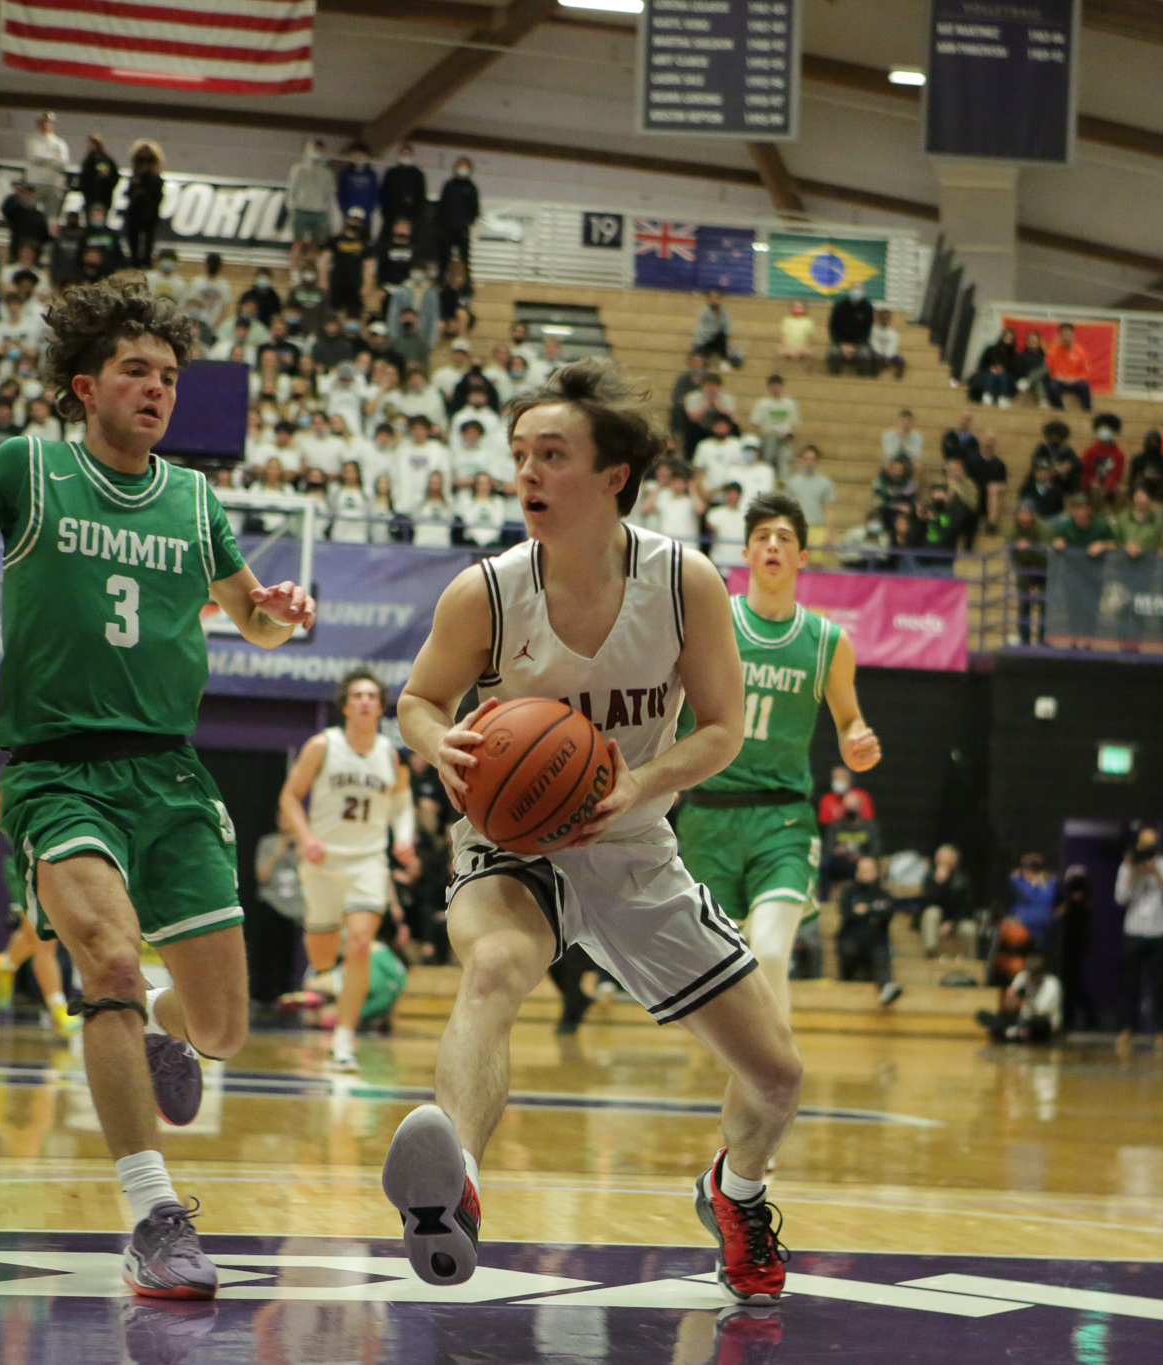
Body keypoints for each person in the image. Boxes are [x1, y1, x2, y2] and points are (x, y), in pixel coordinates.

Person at [0, 275, 317, 1299]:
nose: (157, 389)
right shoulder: (28, 467)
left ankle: (169, 1023)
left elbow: (248, 616)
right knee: (108, 961)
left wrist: (279, 612)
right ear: (84, 386)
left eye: (168, 375)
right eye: (135, 371)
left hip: (168, 773)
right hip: (56, 770)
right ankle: (154, 1215)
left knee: (223, 1030)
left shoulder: (195, 499)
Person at [382, 359, 800, 1305]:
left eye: (552, 455)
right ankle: (456, 1184)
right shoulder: (484, 593)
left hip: (635, 844)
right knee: (494, 963)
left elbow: (725, 729)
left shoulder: (683, 581)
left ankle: (734, 1193)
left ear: (613, 475)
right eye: (520, 454)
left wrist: (638, 782)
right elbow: (418, 698)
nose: (527, 473)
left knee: (775, 1077)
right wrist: (438, 744)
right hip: (514, 841)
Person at [678, 492, 881, 1016]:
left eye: (784, 538)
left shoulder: (826, 641)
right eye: (762, 537)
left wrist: (857, 741)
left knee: (769, 951)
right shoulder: (711, 623)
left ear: (802, 557)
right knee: (716, 976)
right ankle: (752, 1072)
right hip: (707, 816)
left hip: (783, 819)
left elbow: (848, 721)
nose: (772, 545)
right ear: (745, 554)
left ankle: (775, 1084)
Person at [278, 669, 415, 1073]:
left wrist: (403, 838)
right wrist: (305, 837)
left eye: (372, 695)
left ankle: (343, 1037)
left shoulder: (390, 753)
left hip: (368, 860)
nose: (365, 701)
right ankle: (327, 976)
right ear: (345, 704)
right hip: (323, 862)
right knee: (322, 955)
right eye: (357, 695)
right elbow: (289, 796)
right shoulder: (323, 745)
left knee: (359, 944)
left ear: (380, 705)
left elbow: (402, 803)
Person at [0, 785, 78, 1035]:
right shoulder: (25, 761)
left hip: (56, 860)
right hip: (23, 861)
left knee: (33, 933)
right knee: (44, 939)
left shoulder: (73, 767)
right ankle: (58, 1010)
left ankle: (4, 963)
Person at [1113, 827, 1163, 1053]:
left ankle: (1161, 1030)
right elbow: (1121, 897)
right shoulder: (1127, 865)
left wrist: (1157, 874)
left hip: (1161, 929)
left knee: (1160, 983)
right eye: (1144, 843)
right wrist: (1134, 872)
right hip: (1134, 929)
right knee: (1130, 983)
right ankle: (1127, 1028)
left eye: (1152, 844)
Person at [834, 856, 903, 1005]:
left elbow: (886, 915)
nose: (866, 874)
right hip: (852, 939)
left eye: (869, 870)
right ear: (857, 873)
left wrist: (863, 911)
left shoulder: (884, 894)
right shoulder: (848, 893)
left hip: (877, 941)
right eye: (863, 870)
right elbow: (847, 914)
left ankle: (885, 988)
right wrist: (872, 913)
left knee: (882, 951)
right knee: (847, 949)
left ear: (876, 872)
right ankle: (845, 986)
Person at [976, 951, 1063, 1042]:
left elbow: (1040, 1011)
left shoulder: (1051, 985)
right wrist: (1011, 999)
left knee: (1040, 1022)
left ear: (1041, 975)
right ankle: (1015, 1032)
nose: (1030, 980)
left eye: (1033, 977)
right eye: (1029, 976)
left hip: (1039, 1023)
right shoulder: (1022, 977)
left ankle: (1011, 1032)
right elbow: (1008, 1005)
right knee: (982, 1014)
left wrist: (1025, 998)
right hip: (1021, 1020)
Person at [288, 140, 337, 264]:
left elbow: (330, 194)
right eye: (314, 149)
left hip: (320, 211)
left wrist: (330, 212)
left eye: (319, 150)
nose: (316, 153)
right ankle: (295, 271)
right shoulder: (298, 169)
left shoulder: (327, 173)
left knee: (317, 243)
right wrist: (291, 207)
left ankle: (313, 269)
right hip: (301, 209)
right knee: (298, 241)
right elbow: (292, 189)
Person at [122, 140, 165, 270]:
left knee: (148, 238)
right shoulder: (135, 175)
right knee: (134, 237)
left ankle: (146, 260)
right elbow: (129, 193)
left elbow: (158, 195)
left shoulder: (155, 178)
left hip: (149, 212)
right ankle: (135, 259)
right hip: (135, 211)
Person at [24, 112, 73, 225]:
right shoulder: (32, 140)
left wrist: (44, 159)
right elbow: (34, 157)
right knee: (30, 214)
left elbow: (63, 162)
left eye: (48, 122)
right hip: (34, 182)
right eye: (43, 122)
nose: (45, 125)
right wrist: (52, 157)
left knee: (51, 218)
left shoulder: (60, 143)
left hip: (54, 183)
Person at [436, 158, 479, 268]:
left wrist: (470, 222)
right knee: (444, 256)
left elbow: (475, 208)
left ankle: (465, 282)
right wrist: (441, 223)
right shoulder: (449, 185)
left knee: (464, 257)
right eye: (460, 166)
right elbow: (442, 205)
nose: (462, 169)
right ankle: (443, 280)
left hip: (462, 228)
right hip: (447, 227)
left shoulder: (471, 187)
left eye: (464, 166)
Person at [1044, 322, 1095, 409]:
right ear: (1060, 336)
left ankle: (1087, 410)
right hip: (1060, 381)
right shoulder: (1052, 352)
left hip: (1075, 381)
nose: (1067, 337)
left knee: (1084, 385)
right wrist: (1058, 376)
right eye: (1064, 335)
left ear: (1073, 335)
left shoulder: (1080, 352)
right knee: (1052, 386)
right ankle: (1059, 410)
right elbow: (1048, 369)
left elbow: (1086, 372)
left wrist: (1075, 378)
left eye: (1069, 334)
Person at [826, 287, 874, 375]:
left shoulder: (867, 308)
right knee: (833, 353)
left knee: (865, 355)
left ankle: (862, 380)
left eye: (859, 290)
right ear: (850, 291)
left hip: (860, 344)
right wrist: (842, 344)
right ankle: (833, 378)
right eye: (854, 289)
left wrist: (855, 345)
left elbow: (867, 331)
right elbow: (833, 328)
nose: (856, 292)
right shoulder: (840, 306)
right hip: (840, 342)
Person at [691, 289, 740, 370]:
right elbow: (702, 333)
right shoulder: (703, 313)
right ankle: (702, 365)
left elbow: (726, 331)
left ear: (720, 300)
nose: (714, 300)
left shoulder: (725, 313)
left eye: (716, 298)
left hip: (716, 341)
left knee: (722, 337)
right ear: (707, 300)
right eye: (712, 298)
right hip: (703, 342)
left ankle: (724, 361)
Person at [79, 134, 120, 224]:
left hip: (104, 197)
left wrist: (108, 184)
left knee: (102, 221)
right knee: (90, 221)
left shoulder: (107, 160)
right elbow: (83, 178)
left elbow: (115, 177)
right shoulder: (87, 161)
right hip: (90, 197)